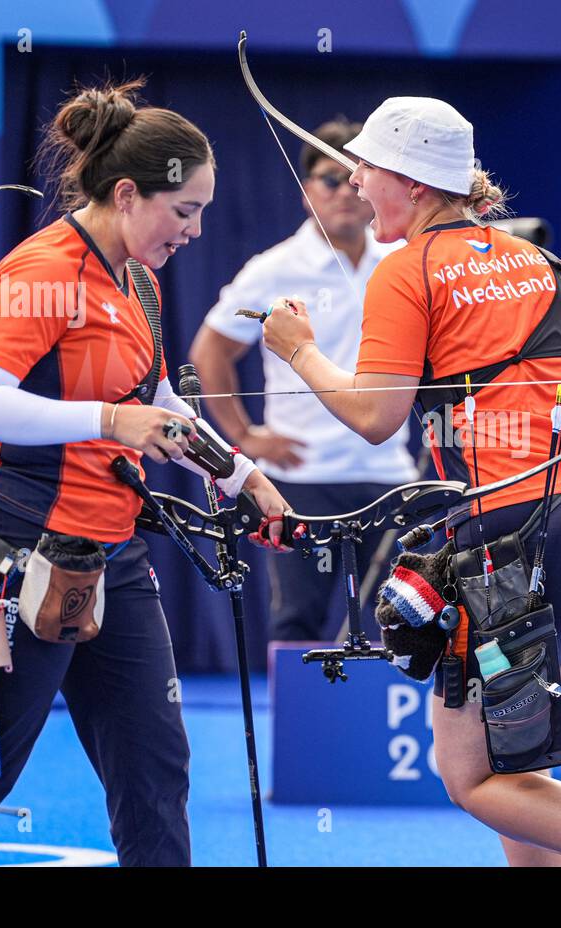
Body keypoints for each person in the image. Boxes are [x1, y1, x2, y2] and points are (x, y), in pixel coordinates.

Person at [261, 95, 561, 866]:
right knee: (521, 758)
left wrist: (297, 349)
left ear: (410, 180)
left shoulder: (408, 271)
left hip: (519, 532)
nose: (359, 184)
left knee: (470, 774)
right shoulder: (542, 260)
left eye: (367, 168)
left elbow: (374, 414)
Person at [0, 80, 290, 867]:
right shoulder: (40, 269)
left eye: (204, 210)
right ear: (129, 193)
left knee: (155, 764)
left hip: (111, 555)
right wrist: (109, 421)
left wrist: (241, 475)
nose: (196, 230)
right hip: (13, 550)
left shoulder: (137, 278)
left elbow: (158, 398)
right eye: (185, 210)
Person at [189, 119, 416, 647]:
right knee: (300, 622)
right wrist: (244, 438)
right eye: (326, 179)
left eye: (352, 178)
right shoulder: (276, 267)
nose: (341, 191)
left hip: (389, 472)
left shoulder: (400, 262)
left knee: (400, 622)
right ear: (305, 190)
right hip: (302, 476)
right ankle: (295, 732)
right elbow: (210, 351)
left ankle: (370, 733)